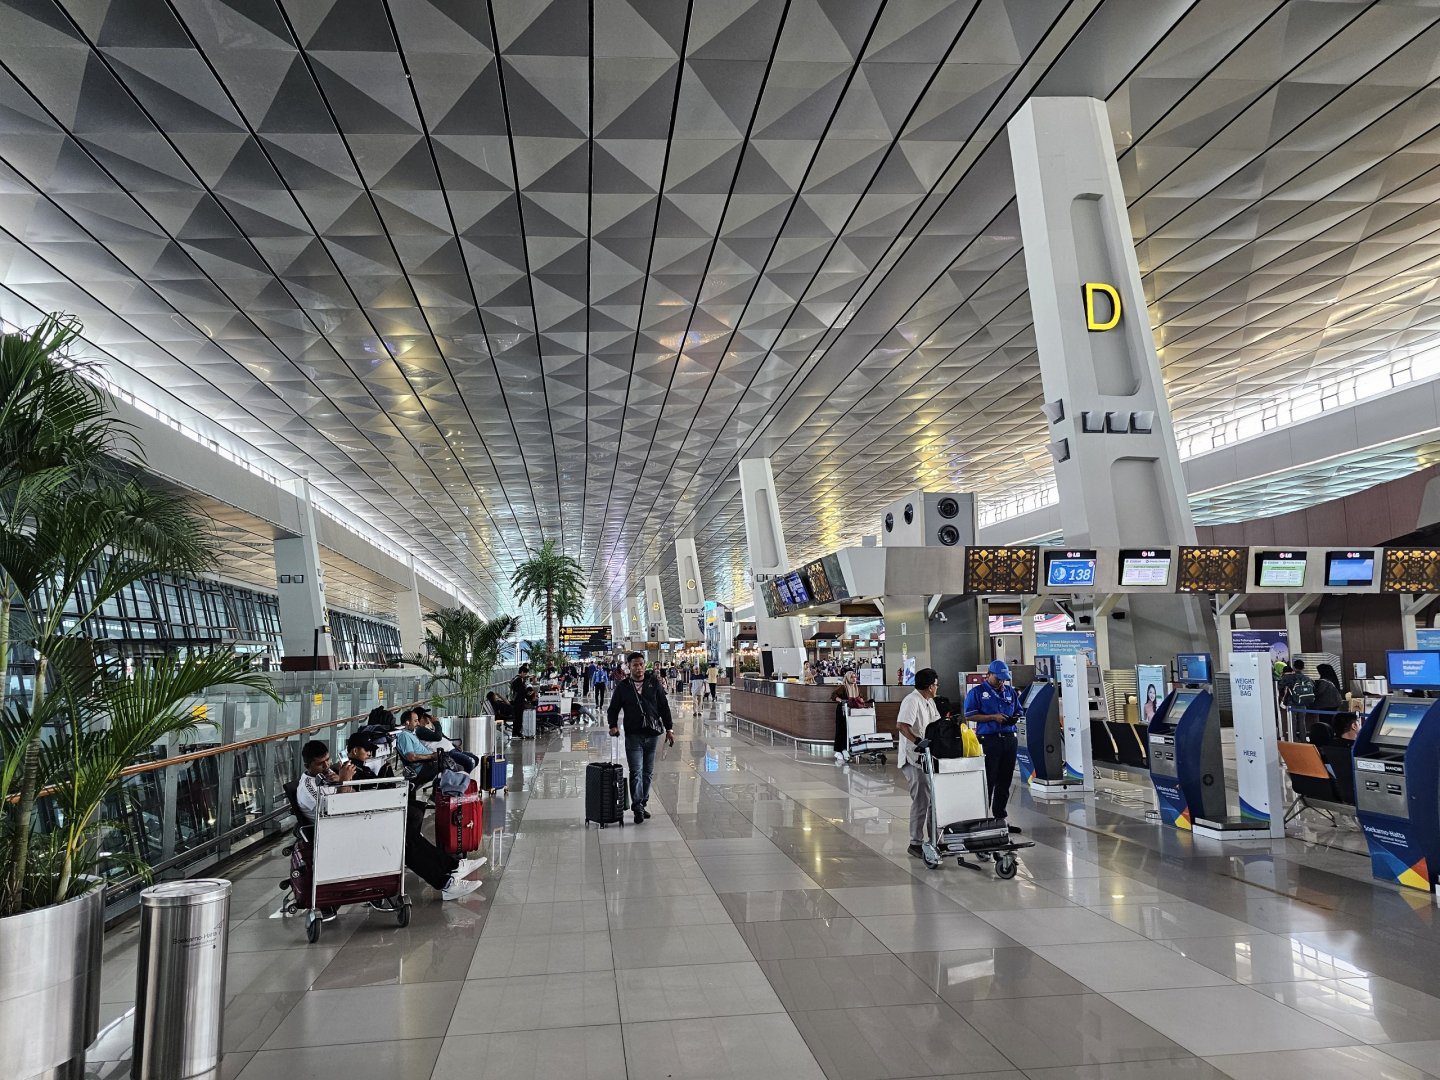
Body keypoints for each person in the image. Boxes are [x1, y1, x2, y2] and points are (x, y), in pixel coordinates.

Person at [317, 734, 481, 900]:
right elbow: (335, 811)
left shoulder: (332, 776)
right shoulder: (314, 787)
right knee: (404, 840)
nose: (326, 766)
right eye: (320, 763)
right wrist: (344, 782)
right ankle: (447, 881)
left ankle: (451, 868)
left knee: (408, 834)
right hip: (347, 830)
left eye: (328, 760)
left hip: (361, 819)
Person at [607, 651, 675, 824]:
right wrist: (613, 726)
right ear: (629, 667)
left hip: (652, 735)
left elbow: (663, 706)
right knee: (636, 772)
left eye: (641, 664)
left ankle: (642, 803)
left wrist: (669, 728)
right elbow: (613, 708)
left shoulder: (654, 683)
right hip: (633, 735)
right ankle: (637, 807)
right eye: (635, 665)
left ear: (645, 665)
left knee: (648, 772)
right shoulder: (623, 687)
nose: (639, 668)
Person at [965, 659, 1022, 830]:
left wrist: (1014, 717)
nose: (1001, 682)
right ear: (989, 675)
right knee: (989, 779)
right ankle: (983, 819)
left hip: (1009, 738)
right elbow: (969, 715)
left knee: (1005, 780)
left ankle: (1000, 818)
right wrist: (992, 717)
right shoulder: (977, 692)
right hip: (989, 740)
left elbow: (1019, 710)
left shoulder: (1010, 692)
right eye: (998, 678)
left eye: (1003, 679)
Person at [895, 667, 941, 858]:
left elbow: (936, 724)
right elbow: (902, 725)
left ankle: (934, 839)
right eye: (936, 685)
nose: (937, 688)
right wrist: (917, 742)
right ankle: (915, 842)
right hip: (913, 758)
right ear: (931, 686)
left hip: (927, 758)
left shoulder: (929, 702)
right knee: (922, 800)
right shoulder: (912, 700)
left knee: (933, 800)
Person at [832, 669, 868, 764]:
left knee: (851, 730)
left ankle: (850, 748)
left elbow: (860, 697)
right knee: (841, 730)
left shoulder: (856, 688)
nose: (854, 678)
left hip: (853, 712)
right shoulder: (843, 688)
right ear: (847, 678)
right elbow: (834, 695)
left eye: (855, 677)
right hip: (843, 711)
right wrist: (841, 701)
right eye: (852, 677)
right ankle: (839, 750)